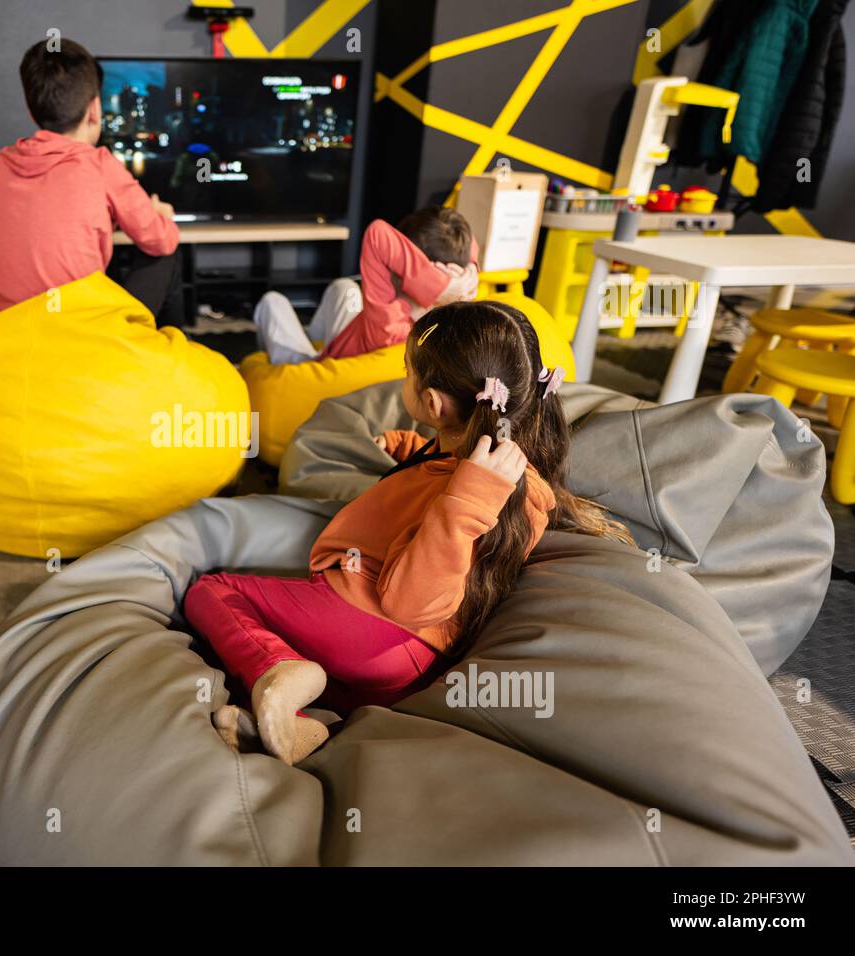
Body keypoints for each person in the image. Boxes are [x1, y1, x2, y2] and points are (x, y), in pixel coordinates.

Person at [184, 300, 634, 764]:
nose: (403, 379)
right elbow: (439, 464)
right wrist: (404, 447)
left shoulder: (471, 494)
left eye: (406, 372)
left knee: (212, 594)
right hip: (407, 668)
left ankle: (278, 670)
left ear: (433, 403)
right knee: (330, 680)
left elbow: (413, 603)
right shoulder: (513, 470)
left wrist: (464, 503)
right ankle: (304, 728)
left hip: (369, 620)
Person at [0, 38, 183, 322]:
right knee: (167, 255)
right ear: (94, 109)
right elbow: (159, 240)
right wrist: (161, 216)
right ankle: (170, 355)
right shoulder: (99, 165)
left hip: (11, 320)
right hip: (80, 326)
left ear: (31, 112)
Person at [253, 207, 480, 365]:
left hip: (322, 368)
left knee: (272, 302)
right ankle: (312, 340)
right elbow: (470, 245)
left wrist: (439, 285)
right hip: (350, 348)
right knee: (345, 288)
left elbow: (377, 233)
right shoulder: (442, 319)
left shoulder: (386, 325)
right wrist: (468, 273)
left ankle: (294, 356)